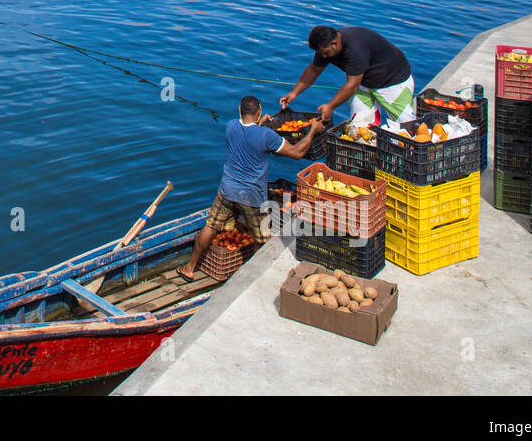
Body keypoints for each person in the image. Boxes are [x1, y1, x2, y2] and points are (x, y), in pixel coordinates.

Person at [177, 95, 323, 281]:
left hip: (227, 191)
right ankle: (249, 278)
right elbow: (297, 152)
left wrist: (261, 123)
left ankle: (189, 268)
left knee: (211, 226)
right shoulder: (266, 136)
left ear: (240, 112)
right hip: (252, 197)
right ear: (259, 112)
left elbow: (249, 133)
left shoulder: (231, 126)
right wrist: (312, 131)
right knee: (262, 240)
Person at [280, 25, 415, 127]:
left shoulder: (355, 48)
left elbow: (352, 85)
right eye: (321, 53)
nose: (324, 57)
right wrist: (294, 93)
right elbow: (314, 70)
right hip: (365, 83)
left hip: (393, 81)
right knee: (358, 126)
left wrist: (331, 106)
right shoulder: (324, 48)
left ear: (334, 43)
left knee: (405, 127)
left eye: (326, 53)